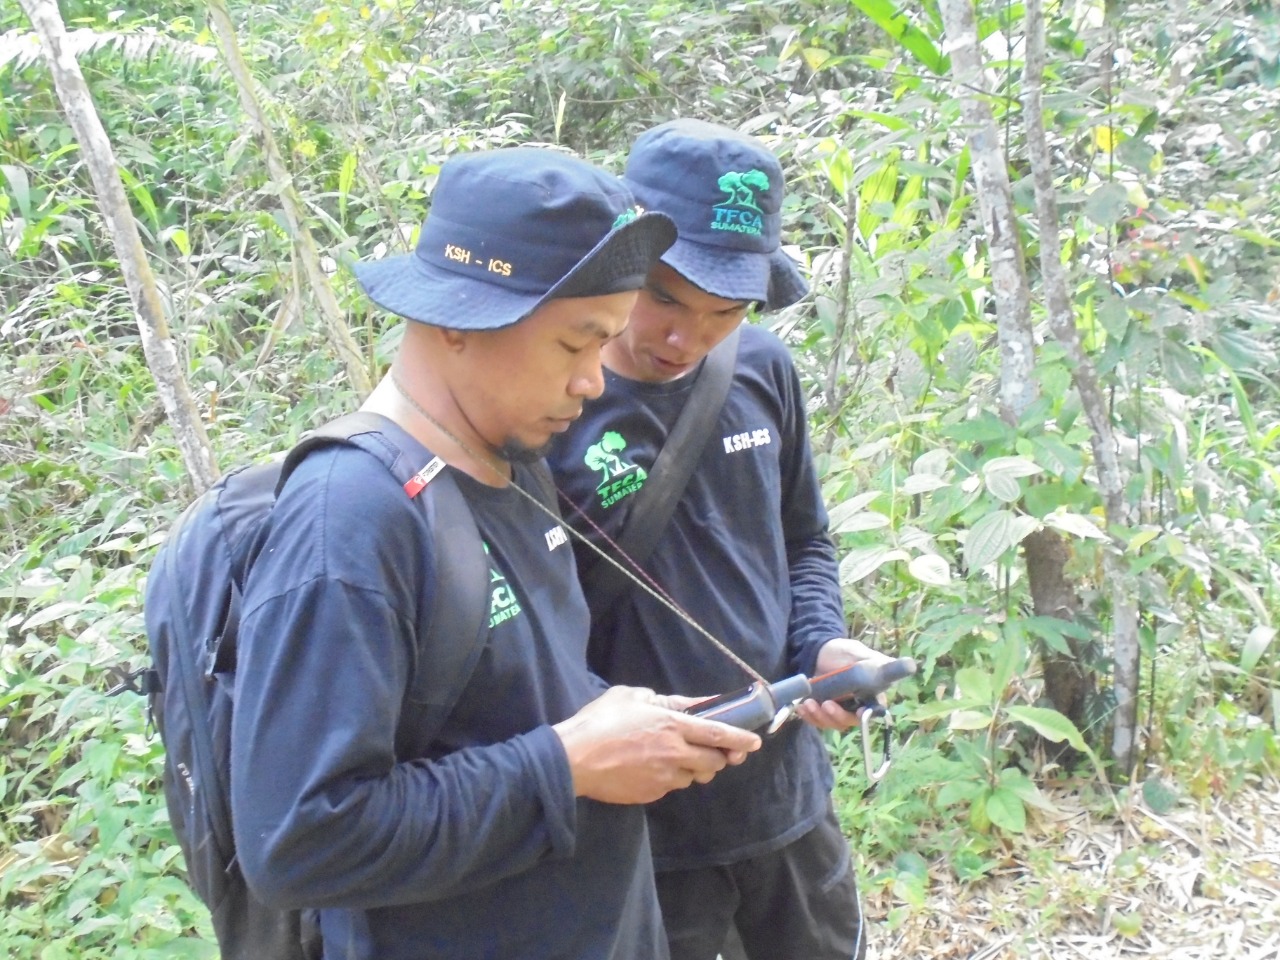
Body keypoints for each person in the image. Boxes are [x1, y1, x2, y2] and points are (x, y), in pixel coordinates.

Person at [228, 147, 762, 960]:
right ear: (456, 319)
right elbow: (299, 839)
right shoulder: (353, 519)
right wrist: (565, 763)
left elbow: (518, 703)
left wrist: (624, 729)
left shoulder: (514, 464)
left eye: (606, 343)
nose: (592, 383)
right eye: (574, 345)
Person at [547, 119, 891, 960]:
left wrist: (822, 643)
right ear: (621, 257)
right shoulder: (549, 404)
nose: (686, 339)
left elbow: (803, 540)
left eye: (724, 309)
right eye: (665, 297)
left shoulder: (761, 370)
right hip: (643, 835)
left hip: (786, 807)